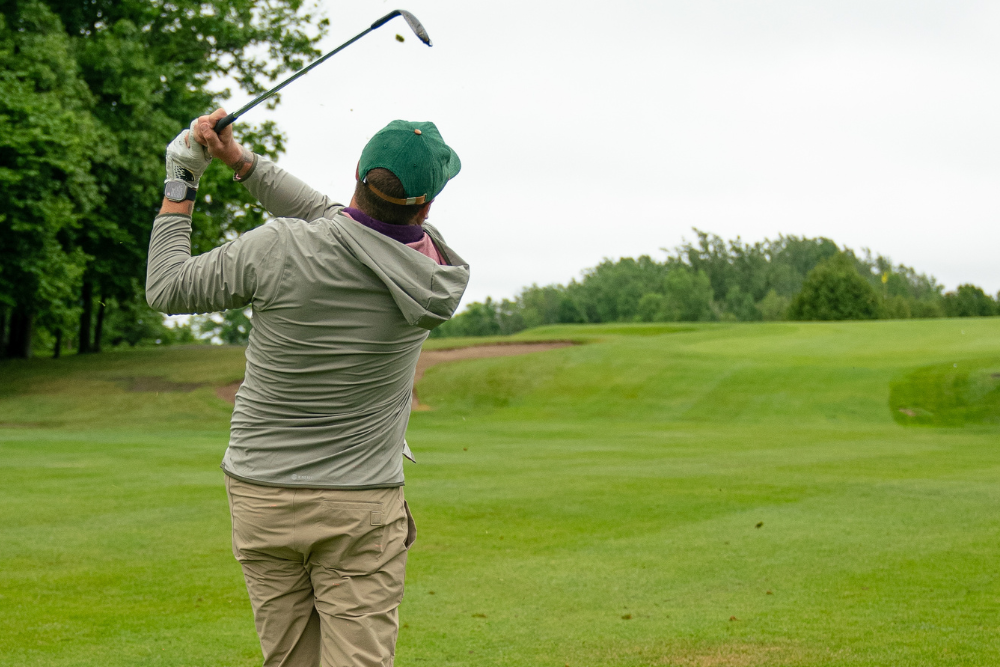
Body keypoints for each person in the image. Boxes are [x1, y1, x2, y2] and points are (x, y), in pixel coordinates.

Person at [146, 108, 469, 667]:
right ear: (426, 205)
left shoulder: (276, 248)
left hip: (261, 492)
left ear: (357, 174)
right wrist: (241, 162)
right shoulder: (434, 272)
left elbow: (166, 287)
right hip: (362, 503)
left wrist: (183, 176)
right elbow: (340, 220)